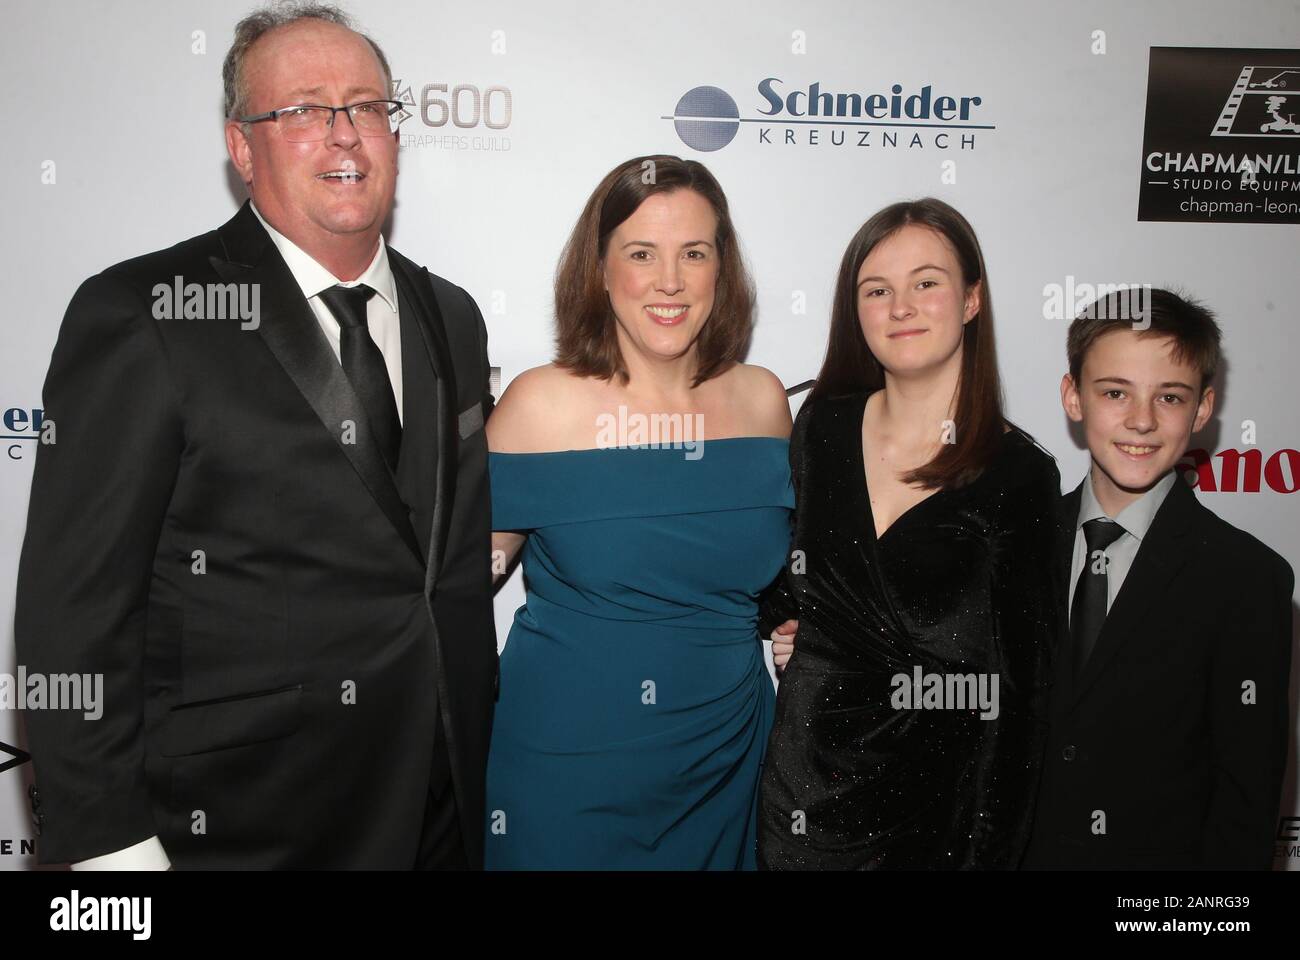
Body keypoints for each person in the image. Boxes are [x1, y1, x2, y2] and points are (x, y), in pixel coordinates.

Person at [14, 3, 497, 869]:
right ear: (242, 147)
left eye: (368, 106)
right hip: (230, 823)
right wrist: (107, 845)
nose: (345, 134)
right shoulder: (147, 312)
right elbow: (74, 612)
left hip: (438, 806)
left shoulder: (451, 315)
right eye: (305, 110)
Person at [483, 155, 793, 869]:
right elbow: (454, 586)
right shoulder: (541, 407)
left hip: (729, 763)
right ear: (599, 269)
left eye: (695, 253)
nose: (670, 281)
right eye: (642, 253)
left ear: (722, 268)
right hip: (566, 766)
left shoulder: (762, 403)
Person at [759, 198, 1059, 869]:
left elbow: (1023, 700)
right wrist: (800, 628)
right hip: (802, 798)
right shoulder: (822, 427)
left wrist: (991, 855)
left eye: (926, 283)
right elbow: (790, 577)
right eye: (877, 290)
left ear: (972, 299)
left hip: (938, 818)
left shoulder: (1020, 475)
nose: (901, 308)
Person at [1023, 289, 1293, 869]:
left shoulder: (1246, 580)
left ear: (1202, 409)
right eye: (1115, 392)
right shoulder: (1011, 548)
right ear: (1073, 396)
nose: (1142, 420)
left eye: (1169, 397)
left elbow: (1245, 803)